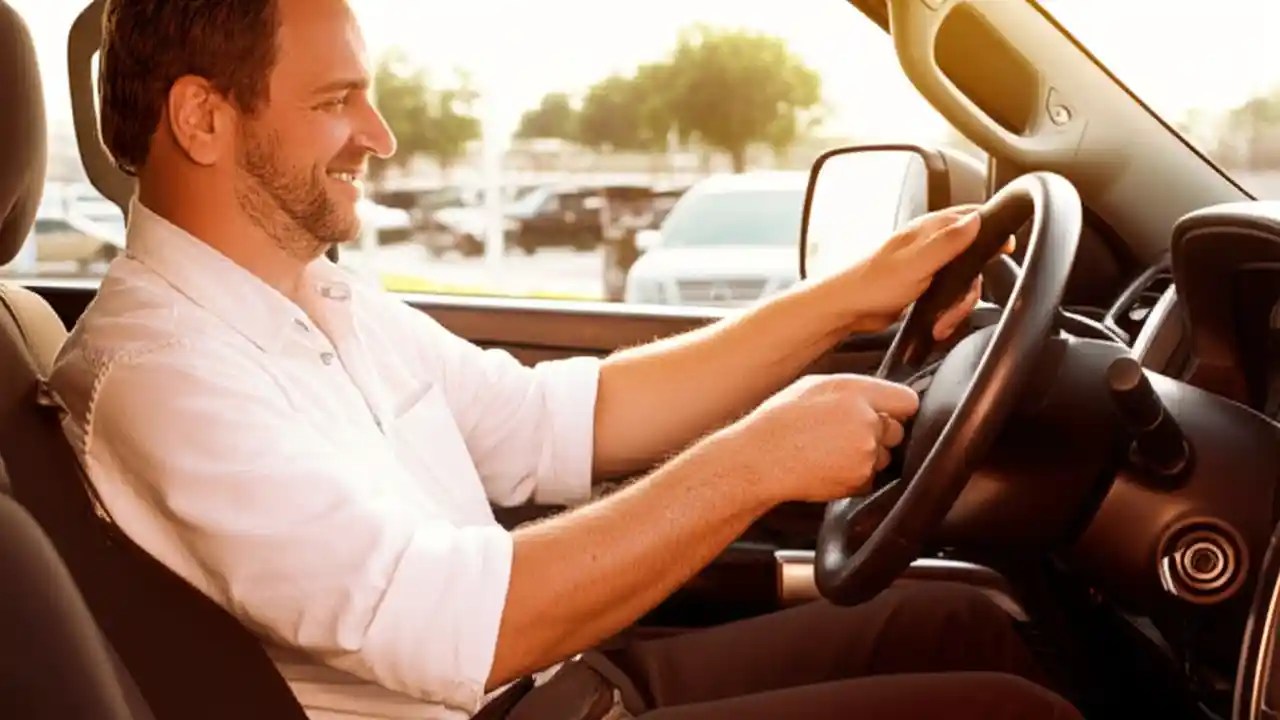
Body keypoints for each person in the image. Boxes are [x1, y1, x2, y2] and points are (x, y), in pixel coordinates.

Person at [48, 0, 1083, 718]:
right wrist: (759, 459)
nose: (381, 133)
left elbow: (558, 422)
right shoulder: (163, 378)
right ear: (203, 117)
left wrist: (842, 299)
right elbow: (460, 629)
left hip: (563, 687)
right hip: (503, 696)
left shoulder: (318, 301)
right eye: (335, 100)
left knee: (962, 623)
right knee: (1004, 712)